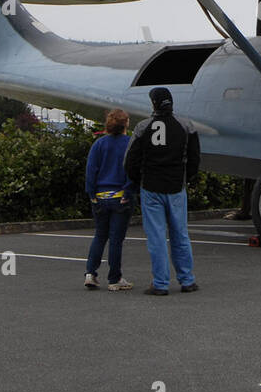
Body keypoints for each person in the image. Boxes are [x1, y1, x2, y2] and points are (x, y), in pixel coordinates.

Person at [124, 87, 199, 296]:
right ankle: (187, 280)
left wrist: (139, 180)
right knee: (180, 234)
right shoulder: (186, 126)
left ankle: (160, 283)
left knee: (156, 236)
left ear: (154, 104)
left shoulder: (143, 127)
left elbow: (130, 161)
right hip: (176, 187)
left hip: (151, 188)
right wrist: (187, 178)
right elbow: (194, 158)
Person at [83, 108, 134, 291]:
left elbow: (91, 171)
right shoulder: (129, 144)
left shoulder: (99, 144)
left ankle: (90, 273)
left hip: (100, 197)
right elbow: (132, 171)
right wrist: (128, 193)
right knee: (116, 240)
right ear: (125, 124)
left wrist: (92, 195)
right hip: (120, 197)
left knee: (100, 235)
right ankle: (114, 278)